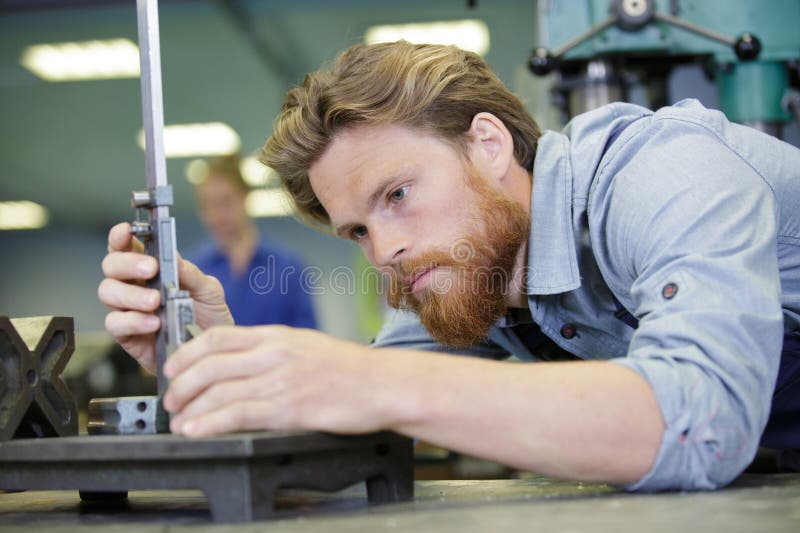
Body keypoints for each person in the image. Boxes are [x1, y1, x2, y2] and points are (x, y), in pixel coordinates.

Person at [98, 41, 800, 491]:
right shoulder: (471, 278)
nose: (385, 252)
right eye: (359, 231)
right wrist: (219, 362)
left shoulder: (657, 171)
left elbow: (704, 422)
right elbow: (355, 440)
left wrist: (375, 377)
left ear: (488, 144)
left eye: (397, 195)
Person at [188, 154, 317, 329]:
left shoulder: (287, 267)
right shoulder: (195, 270)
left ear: (245, 197)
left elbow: (308, 336)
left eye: (225, 202)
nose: (215, 215)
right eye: (207, 205)